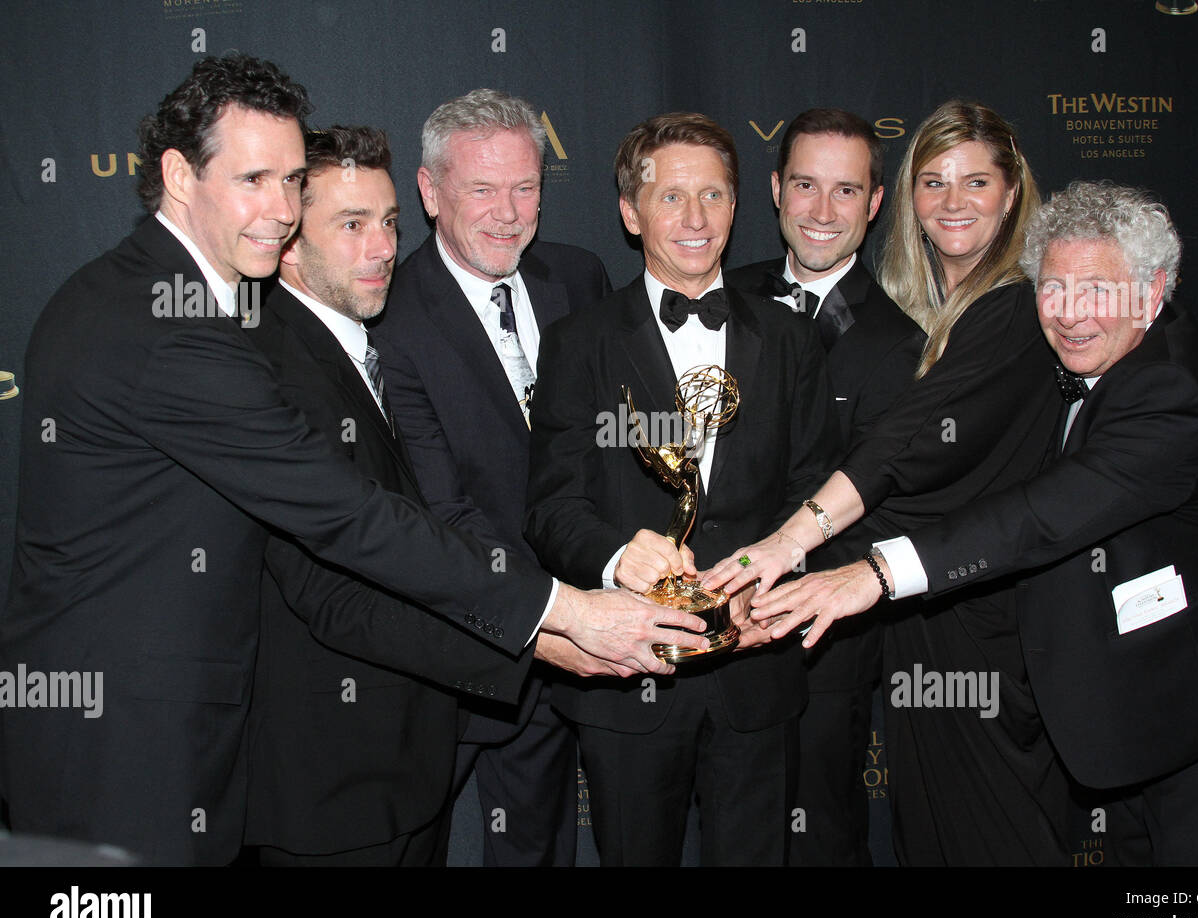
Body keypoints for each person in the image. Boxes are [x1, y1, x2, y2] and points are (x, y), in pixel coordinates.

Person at [0, 54, 704, 866]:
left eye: (292, 181)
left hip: (166, 736)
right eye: (254, 179)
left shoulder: (167, 300)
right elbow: (347, 518)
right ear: (178, 176)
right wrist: (564, 612)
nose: (279, 210)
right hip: (121, 748)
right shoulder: (169, 329)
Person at [748, 181, 1198, 865]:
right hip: (1129, 708)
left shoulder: (1168, 390)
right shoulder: (1076, 354)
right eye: (1054, 288)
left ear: (1154, 292)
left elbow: (1043, 514)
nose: (1069, 315)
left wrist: (877, 573)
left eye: (1097, 291)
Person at [704, 100, 1072, 865]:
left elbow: (897, 458)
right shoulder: (725, 295)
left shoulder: (967, 320)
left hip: (912, 618)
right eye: (933, 181)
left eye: (976, 181)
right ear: (774, 190)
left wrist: (790, 547)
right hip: (792, 621)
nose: (953, 201)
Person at [242, 126, 564, 865]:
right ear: (288, 242)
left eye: (387, 223)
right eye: (351, 226)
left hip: (399, 763)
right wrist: (540, 633)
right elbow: (336, 592)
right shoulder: (270, 372)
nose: (384, 247)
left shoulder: (350, 344)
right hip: (330, 785)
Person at [525, 112, 839, 865]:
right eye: (670, 198)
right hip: (629, 678)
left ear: (740, 204)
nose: (695, 220)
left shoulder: (792, 337)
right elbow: (551, 507)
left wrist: (766, 583)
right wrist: (611, 558)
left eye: (714, 196)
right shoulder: (579, 342)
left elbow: (816, 492)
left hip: (757, 672)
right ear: (631, 213)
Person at [375, 89, 612, 866]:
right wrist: (556, 616)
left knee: (538, 852)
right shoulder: (391, 319)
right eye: (482, 189)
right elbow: (440, 508)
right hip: (458, 658)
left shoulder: (579, 279)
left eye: (526, 186)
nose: (508, 212)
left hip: (573, 662)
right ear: (430, 191)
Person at [726, 107, 923, 866]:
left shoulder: (905, 344)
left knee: (822, 834)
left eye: (846, 192)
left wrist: (787, 590)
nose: (820, 211)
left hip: (822, 640)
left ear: (875, 205)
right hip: (711, 626)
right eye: (805, 184)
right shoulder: (721, 293)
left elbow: (888, 503)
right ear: (776, 189)